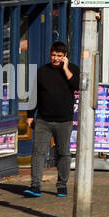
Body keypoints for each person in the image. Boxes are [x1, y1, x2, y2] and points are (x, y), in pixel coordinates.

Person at [25, 41, 79, 198]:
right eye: (53, 55)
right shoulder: (42, 71)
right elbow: (34, 93)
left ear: (65, 57)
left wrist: (66, 68)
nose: (55, 58)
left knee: (63, 153)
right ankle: (35, 186)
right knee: (38, 153)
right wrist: (30, 115)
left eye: (59, 56)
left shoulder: (72, 70)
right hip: (43, 120)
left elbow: (77, 86)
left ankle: (62, 186)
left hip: (64, 121)